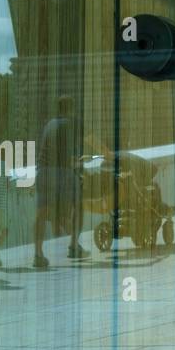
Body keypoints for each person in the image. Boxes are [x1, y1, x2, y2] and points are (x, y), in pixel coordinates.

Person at [33, 95, 105, 267]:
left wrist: (74, 160)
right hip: (62, 173)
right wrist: (108, 154)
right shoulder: (73, 122)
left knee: (42, 213)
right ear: (71, 109)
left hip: (43, 172)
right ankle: (74, 245)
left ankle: (38, 254)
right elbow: (91, 140)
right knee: (79, 205)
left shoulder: (50, 124)